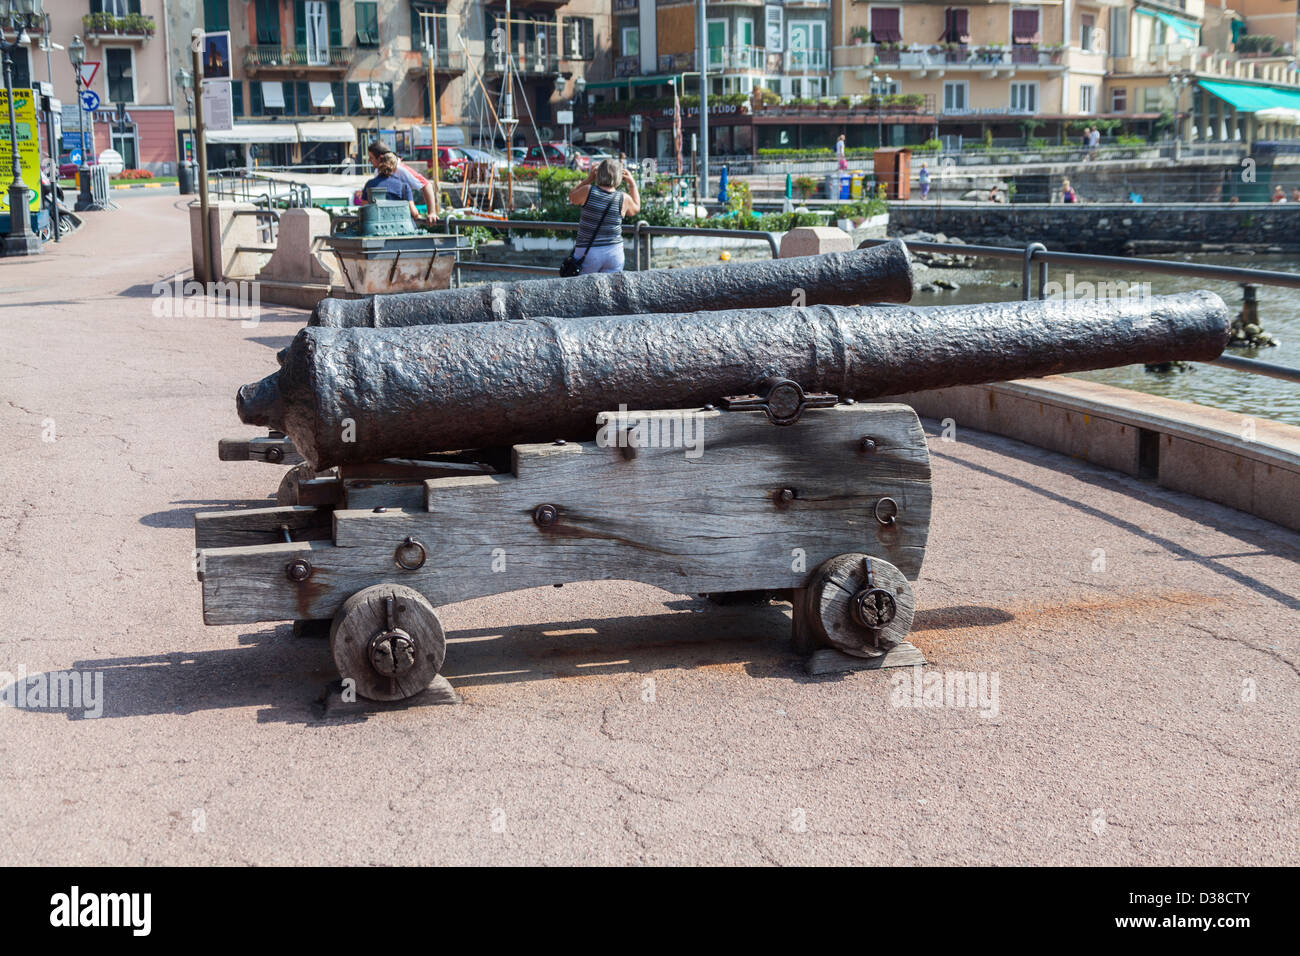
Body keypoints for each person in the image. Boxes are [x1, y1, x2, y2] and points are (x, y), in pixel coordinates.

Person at [567, 158, 641, 274]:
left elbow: (571, 197)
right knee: (609, 290)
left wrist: (589, 179)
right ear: (619, 176)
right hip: (614, 252)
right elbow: (636, 208)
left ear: (598, 173)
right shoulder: (623, 198)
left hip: (588, 252)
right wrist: (632, 183)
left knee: (585, 290)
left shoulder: (588, 191)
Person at [365, 139, 437, 221]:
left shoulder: (401, 169)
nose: (369, 161)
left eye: (371, 158)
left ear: (380, 158)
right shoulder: (377, 172)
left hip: (402, 218)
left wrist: (431, 213)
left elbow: (426, 185)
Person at [357, 152, 421, 226]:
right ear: (395, 167)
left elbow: (364, 208)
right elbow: (414, 212)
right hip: (399, 228)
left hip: (376, 228)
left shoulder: (370, 184)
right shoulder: (404, 186)